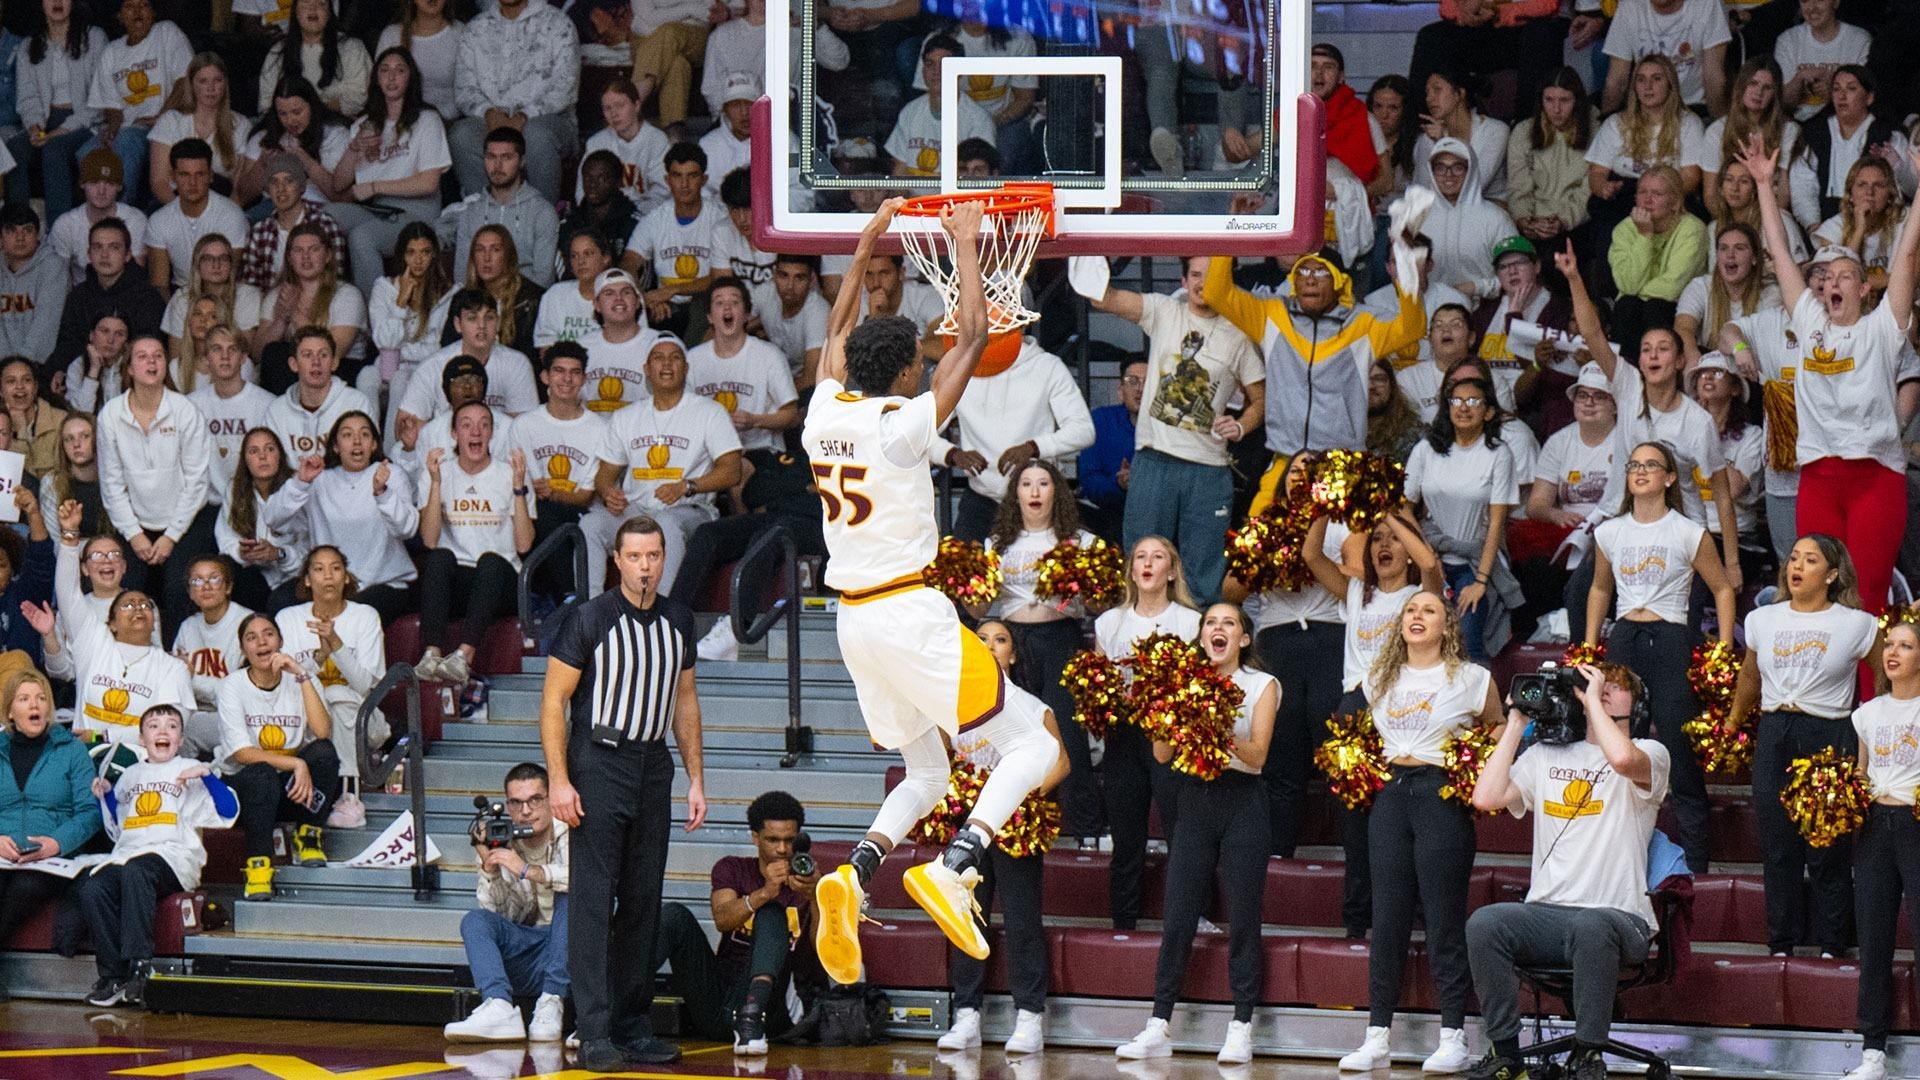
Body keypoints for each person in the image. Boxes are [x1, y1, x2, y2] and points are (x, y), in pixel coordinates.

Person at [799, 200, 1062, 980]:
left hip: (852, 622)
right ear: (908, 370)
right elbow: (975, 340)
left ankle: (853, 873)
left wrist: (866, 242)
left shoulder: (823, 411)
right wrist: (971, 246)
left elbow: (835, 332)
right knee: (1036, 741)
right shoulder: (901, 423)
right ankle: (957, 863)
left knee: (927, 773)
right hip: (907, 612)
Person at [539, 516, 709, 1070]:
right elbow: (552, 703)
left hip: (652, 763)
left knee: (642, 899)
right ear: (617, 559)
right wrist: (560, 780)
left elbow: (685, 702)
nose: (645, 566)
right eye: (635, 556)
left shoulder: (679, 620)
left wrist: (696, 778)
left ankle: (632, 1024)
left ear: (665, 558)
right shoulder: (588, 618)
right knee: (592, 900)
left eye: (654, 556)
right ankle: (592, 1031)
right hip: (599, 759)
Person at [1737, 132, 1920, 615]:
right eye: (1826, 276)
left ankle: (1874, 693)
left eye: (1844, 274)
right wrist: (1761, 182)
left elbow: (1905, 256)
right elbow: (1777, 249)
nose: (1832, 281)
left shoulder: (1883, 328)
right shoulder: (1811, 323)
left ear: (1863, 287)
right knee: (1815, 600)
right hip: (1817, 477)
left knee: (1866, 600)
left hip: (1876, 478)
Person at [1465, 662, 1673, 1080]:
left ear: (1639, 704)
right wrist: (1516, 722)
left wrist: (1592, 701)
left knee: (1592, 925)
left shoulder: (1651, 753)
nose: (1605, 690)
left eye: (1618, 687)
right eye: (1600, 686)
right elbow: (1485, 798)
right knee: (1485, 923)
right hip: (1550, 915)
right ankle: (1506, 1053)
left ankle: (1588, 1053)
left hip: (1621, 917)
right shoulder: (1545, 755)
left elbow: (1619, 756)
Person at [1339, 590, 1503, 1074]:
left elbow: (1495, 727)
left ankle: (1453, 1035)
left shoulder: (1473, 678)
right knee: (1386, 919)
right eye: (1410, 610)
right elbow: (1347, 728)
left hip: (1440, 796)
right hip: (1390, 795)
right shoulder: (1379, 676)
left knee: (1442, 918)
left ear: (1446, 625)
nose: (1416, 615)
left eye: (1428, 610)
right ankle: (1376, 1035)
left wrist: (1468, 765)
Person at [1113, 603, 1276, 1065]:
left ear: (1244, 638)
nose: (1218, 629)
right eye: (1211, 623)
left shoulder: (1261, 684)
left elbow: (1259, 754)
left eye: (1229, 623)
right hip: (1195, 802)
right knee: (1177, 918)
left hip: (1244, 803)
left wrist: (1212, 726)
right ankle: (1158, 1024)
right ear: (1202, 635)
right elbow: (1163, 754)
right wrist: (1176, 707)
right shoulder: (1181, 682)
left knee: (1243, 918)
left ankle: (1242, 1025)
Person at [1584, 440, 1738, 872]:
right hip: (1624, 638)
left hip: (1671, 638)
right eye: (1634, 464)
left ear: (1670, 477)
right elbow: (1600, 588)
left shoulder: (1688, 532)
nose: (1641, 471)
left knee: (1679, 747)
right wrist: (1590, 644)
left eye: (1651, 465)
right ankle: (1609, 855)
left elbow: (1724, 588)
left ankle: (1697, 863)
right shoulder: (1610, 532)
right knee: (1612, 746)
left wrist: (1723, 651)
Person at [1724, 534, 1876, 960]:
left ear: (1830, 574)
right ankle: (1781, 945)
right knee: (1778, 845)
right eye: (1794, 558)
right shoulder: (1763, 619)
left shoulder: (1856, 623)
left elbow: (1883, 679)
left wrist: (1876, 731)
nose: (1797, 566)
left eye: (1810, 561)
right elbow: (1750, 677)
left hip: (1828, 734)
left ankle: (1832, 945)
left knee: (1827, 848)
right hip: (1775, 731)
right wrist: (1734, 721)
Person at [1078, 255, 1264, 602]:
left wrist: (1239, 426)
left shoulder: (1237, 336)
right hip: (1155, 459)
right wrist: (1087, 251)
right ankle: (1136, 640)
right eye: (1195, 274)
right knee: (1141, 559)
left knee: (1203, 572)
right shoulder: (1165, 311)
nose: (1202, 283)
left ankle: (1199, 647)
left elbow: (1261, 399)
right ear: (1183, 280)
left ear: (1226, 283)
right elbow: (1105, 299)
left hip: (1208, 468)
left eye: (1211, 277)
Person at [1302, 508, 1444, 939]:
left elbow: (1432, 564)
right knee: (1355, 824)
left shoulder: (1420, 597)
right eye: (1377, 538)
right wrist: (1325, 508)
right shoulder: (1356, 590)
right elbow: (1311, 555)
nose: (1384, 545)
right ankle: (1356, 922)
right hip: (1353, 711)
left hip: (1401, 711)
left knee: (1400, 820)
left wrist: (1387, 511)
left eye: (1394, 539)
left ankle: (1409, 916)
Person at [938, 619, 1069, 1057]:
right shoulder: (952, 708)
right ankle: (967, 1015)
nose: (990, 646)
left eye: (1000, 640)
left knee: (1021, 919)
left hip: (1013, 825)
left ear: (1013, 654)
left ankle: (1030, 1016)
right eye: (981, 640)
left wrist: (1022, 799)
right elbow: (938, 762)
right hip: (968, 825)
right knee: (962, 916)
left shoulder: (1033, 708)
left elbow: (1060, 764)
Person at [1223, 453, 1346, 858]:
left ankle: (1353, 855)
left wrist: (1314, 560)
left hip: (1330, 637)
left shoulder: (1344, 525)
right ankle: (1277, 856)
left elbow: (1357, 592)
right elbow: (1230, 594)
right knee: (1282, 753)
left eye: (1312, 473)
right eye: (1295, 470)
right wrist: (1260, 560)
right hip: (1277, 642)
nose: (1301, 477)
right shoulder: (1263, 525)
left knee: (1335, 746)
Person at [78, 703, 238, 1007]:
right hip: (128, 855)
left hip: (174, 857)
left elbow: (228, 812)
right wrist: (108, 795)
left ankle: (140, 966)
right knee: (93, 886)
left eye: (172, 726)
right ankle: (113, 976)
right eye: (154, 726)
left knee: (137, 871)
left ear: (180, 739)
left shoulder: (189, 768)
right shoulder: (130, 775)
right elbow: (119, 829)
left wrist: (207, 776)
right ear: (141, 739)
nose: (163, 731)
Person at [976, 462, 1100, 841]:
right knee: (1013, 730)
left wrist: (1083, 580)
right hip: (1012, 640)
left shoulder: (1081, 541)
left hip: (1063, 636)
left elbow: (1098, 603)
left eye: (1043, 483)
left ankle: (1085, 831)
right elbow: (979, 610)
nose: (1034, 491)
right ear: (1015, 493)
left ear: (1055, 492)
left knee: (1069, 734)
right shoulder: (996, 543)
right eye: (1026, 484)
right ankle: (1010, 821)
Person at [1096, 534, 1203, 927]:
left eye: (1158, 557)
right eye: (1140, 556)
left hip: (1171, 736)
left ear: (1171, 571)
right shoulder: (1109, 622)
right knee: (1127, 837)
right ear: (1131, 569)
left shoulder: (1191, 623)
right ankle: (1123, 922)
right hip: (1124, 736)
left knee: (1182, 832)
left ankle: (1191, 916)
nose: (1148, 563)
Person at [584, 335, 741, 598]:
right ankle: (589, 609)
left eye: (675, 357)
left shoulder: (709, 412)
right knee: (591, 524)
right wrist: (609, 493)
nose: (666, 364)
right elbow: (604, 476)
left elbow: (732, 469)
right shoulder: (626, 416)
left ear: (686, 368)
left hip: (689, 511)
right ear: (646, 369)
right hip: (637, 510)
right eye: (658, 357)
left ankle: (661, 614)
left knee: (666, 524)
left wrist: (688, 487)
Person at [42, 498, 194, 745]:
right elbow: (68, 593)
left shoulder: (171, 667)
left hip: (144, 764)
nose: (137, 609)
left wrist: (104, 736)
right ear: (110, 624)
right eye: (127, 605)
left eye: (144, 605)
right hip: (86, 757)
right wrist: (70, 537)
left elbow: (171, 729)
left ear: (154, 621)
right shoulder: (93, 643)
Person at [444, 761, 569, 1044]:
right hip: (532, 951)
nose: (525, 811)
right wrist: (491, 868)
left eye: (535, 800)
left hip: (576, 953)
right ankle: (499, 1006)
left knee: (571, 896)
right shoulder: (501, 837)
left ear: (551, 799)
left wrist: (526, 869)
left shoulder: (569, 828)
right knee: (475, 921)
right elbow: (499, 916)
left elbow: (586, 882)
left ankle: (552, 999)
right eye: (516, 803)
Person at [930, 330, 1095, 544]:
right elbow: (918, 433)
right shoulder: (960, 369)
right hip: (981, 498)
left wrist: (1034, 448)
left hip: (1038, 500)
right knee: (962, 573)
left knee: (1050, 575)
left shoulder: (1047, 366)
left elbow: (1083, 430)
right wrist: (951, 454)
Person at [96, 332, 213, 633]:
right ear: (130, 368)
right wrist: (134, 535)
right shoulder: (111, 415)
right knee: (127, 594)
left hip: (184, 523)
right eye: (142, 356)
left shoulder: (185, 411)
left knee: (178, 592)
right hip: (133, 524)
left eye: (158, 355)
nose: (151, 361)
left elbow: (197, 482)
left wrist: (171, 535)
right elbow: (111, 483)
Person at [217, 612, 339, 897]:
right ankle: (258, 867)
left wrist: (302, 675)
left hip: (290, 790)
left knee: (323, 753)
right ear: (244, 649)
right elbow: (243, 754)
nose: (261, 642)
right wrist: (296, 762)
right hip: (243, 789)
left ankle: (309, 836)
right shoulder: (233, 685)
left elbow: (322, 732)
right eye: (252, 637)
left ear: (280, 641)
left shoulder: (300, 678)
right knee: (261, 773)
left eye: (268, 634)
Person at [1845, 621, 1920, 1080]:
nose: (1893, 652)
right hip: (1875, 826)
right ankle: (1873, 1049)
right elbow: (1861, 773)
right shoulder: (1867, 714)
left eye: (1906, 646)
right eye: (1889, 644)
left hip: (1916, 823)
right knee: (1873, 940)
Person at [414, 404, 533, 685]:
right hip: (457, 582)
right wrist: (435, 484)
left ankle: (463, 657)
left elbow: (525, 544)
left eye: (483, 425)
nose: (475, 431)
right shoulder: (437, 473)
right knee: (439, 557)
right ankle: (431, 654)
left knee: (490, 562)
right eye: (466, 424)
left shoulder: (509, 473)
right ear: (454, 433)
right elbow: (429, 540)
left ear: (491, 433)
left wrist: (518, 487)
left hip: (500, 581)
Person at [265, 413, 419, 624]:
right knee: (279, 602)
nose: (357, 441)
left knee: (353, 616)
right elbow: (273, 518)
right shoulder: (319, 478)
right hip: (326, 584)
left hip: (383, 584)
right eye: (347, 435)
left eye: (364, 434)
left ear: (374, 444)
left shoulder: (390, 473)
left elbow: (407, 530)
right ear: (336, 446)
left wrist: (382, 493)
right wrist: (300, 483)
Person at [702, 790, 825, 1055]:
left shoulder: (812, 881)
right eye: (772, 840)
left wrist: (816, 897)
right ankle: (612, 1017)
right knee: (675, 917)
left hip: (775, 1003)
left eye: (789, 840)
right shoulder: (732, 868)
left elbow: (821, 952)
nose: (781, 849)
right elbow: (723, 920)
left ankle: (752, 1018)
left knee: (771, 913)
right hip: (727, 991)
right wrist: (764, 893)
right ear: (755, 838)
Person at [1406, 375, 1519, 661]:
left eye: (1473, 401)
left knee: (1468, 643)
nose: (1463, 407)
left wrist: (1480, 581)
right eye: (1456, 400)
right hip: (1431, 558)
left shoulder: (1498, 454)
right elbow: (1403, 506)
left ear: (1489, 411)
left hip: (1475, 561)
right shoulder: (1425, 450)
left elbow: (1496, 521)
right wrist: (1426, 554)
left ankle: (1481, 704)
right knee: (1425, 640)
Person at [272, 545, 387, 806]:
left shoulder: (365, 617)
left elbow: (365, 689)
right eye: (319, 569)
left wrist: (336, 644)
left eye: (336, 568)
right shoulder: (288, 618)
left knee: (338, 695)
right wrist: (320, 657)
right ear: (307, 579)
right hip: (305, 719)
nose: (328, 576)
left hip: (364, 718)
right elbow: (289, 682)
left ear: (346, 577)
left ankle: (349, 796)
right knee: (327, 696)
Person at [0, 669, 99, 941]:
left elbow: (90, 813)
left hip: (49, 859)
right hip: (2, 853)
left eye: (41, 698)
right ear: (10, 712)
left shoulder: (72, 750)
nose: (34, 704)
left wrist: (54, 844)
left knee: (24, 888)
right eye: (24, 699)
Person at [449, 0, 578, 202]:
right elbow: (464, 89)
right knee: (462, 134)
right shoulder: (475, 28)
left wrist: (524, 116)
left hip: (547, 120)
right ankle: (485, 217)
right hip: (491, 119)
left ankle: (540, 220)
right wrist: (488, 112)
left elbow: (566, 87)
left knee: (537, 135)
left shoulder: (559, 23)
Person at [80, 0, 191, 208]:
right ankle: (96, 217)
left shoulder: (166, 32)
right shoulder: (112, 51)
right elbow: (112, 107)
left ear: (154, 12)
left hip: (166, 127)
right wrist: (112, 131)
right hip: (129, 127)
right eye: (130, 6)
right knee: (87, 152)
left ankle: (123, 216)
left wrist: (163, 116)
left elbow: (184, 80)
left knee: (127, 141)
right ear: (119, 16)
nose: (138, 11)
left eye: (144, 5)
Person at [12, 0, 107, 221]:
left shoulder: (94, 37)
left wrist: (62, 130)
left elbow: (100, 100)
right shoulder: (28, 45)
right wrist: (34, 125)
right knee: (13, 150)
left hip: (85, 118)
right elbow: (27, 97)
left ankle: (59, 231)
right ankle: (20, 226)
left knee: (54, 148)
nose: (57, 2)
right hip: (45, 118)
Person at [250, 223, 368, 394]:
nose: (306, 257)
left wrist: (294, 314)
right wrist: (281, 320)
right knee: (276, 353)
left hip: (342, 372)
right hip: (293, 374)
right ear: (289, 258)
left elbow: (332, 352)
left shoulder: (348, 295)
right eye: (298, 250)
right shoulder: (278, 295)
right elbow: (259, 355)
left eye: (313, 249)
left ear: (327, 255)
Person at [685, 278, 798, 454]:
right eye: (719, 302)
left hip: (761, 450)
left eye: (735, 302)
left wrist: (755, 421)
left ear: (746, 315)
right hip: (710, 454)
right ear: (710, 317)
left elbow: (790, 414)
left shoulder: (769, 355)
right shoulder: (692, 359)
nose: (727, 308)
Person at [622, 142, 722, 339]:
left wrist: (672, 290)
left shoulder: (719, 218)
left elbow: (720, 276)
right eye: (677, 176)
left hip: (709, 304)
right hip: (664, 307)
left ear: (704, 179)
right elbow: (629, 262)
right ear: (667, 180)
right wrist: (645, 298)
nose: (684, 185)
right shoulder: (655, 218)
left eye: (692, 176)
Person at [1787, 66, 1905, 229]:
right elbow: (1803, 184)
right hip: (1825, 224)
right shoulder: (1816, 133)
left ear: (1869, 97)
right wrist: (1814, 224)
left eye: (1851, 88)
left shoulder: (1888, 135)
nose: (1842, 96)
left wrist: (1898, 166)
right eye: (1836, 89)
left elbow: (1910, 186)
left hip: (1877, 224)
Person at [1607, 165, 1708, 355]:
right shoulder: (1624, 230)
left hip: (1675, 306)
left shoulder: (1693, 229)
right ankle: (1626, 379)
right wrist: (1644, 237)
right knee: (1627, 306)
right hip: (1634, 305)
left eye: (1657, 193)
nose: (1647, 199)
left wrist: (1636, 292)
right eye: (1642, 192)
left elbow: (1672, 287)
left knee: (1654, 307)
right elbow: (1627, 284)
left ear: (1675, 201)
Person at [444, 127, 559, 291]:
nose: (497, 166)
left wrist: (505, 297)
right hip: (479, 305)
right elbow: (462, 278)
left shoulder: (542, 212)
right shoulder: (471, 212)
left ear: (522, 161)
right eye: (491, 157)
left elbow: (543, 280)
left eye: (506, 157)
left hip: (524, 304)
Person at [368, 222, 453, 436]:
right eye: (411, 253)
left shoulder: (448, 294)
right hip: (387, 366)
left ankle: (389, 452)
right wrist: (400, 302)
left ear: (434, 254)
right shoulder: (384, 288)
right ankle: (368, 445)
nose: (418, 260)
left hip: (426, 370)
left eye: (425, 252)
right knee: (365, 377)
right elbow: (383, 342)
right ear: (402, 256)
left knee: (401, 381)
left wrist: (402, 353)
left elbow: (438, 348)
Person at [52, 217, 162, 369]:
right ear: (89, 254)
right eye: (98, 247)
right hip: (82, 376)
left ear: (128, 255)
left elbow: (148, 349)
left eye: (114, 247)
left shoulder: (148, 298)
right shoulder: (78, 296)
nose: (104, 255)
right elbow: (67, 344)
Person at [217, 427, 306, 613]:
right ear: (245, 459)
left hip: (293, 576)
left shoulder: (297, 490)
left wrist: (279, 554)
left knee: (279, 601)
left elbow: (310, 548)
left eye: (270, 449)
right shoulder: (236, 488)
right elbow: (226, 540)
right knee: (223, 575)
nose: (263, 456)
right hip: (255, 573)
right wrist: (242, 551)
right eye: (254, 451)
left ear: (280, 455)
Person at [1506, 69, 1595, 250]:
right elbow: (1519, 187)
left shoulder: (1596, 130)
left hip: (1577, 223)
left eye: (1564, 100)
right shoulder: (1524, 132)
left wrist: (1562, 221)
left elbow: (1588, 190)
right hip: (1534, 220)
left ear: (1577, 101)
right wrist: (1525, 221)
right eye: (1549, 100)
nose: (1556, 109)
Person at [262, 326, 375, 467]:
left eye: (323, 355)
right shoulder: (276, 411)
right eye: (307, 355)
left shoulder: (356, 403)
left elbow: (369, 459)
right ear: (294, 364)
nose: (316, 362)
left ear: (334, 362)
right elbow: (271, 467)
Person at [144, 139, 249, 290]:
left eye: (200, 174)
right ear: (173, 177)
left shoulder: (231, 216)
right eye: (184, 174)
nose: (192, 182)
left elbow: (228, 278)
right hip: (181, 295)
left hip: (223, 294)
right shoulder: (159, 221)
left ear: (211, 176)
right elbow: (160, 285)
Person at [236, 77, 351, 211]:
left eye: (297, 112)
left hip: (320, 207)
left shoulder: (335, 134)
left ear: (311, 107)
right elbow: (243, 196)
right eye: (282, 114)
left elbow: (337, 195)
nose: (290, 120)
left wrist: (307, 162)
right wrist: (262, 163)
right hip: (273, 207)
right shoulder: (264, 137)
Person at [174, 554, 250, 755]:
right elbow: (176, 684)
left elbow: (239, 695)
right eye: (197, 580)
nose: (206, 586)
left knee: (179, 730)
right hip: (197, 712)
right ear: (190, 592)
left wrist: (193, 679)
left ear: (228, 587)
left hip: (238, 716)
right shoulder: (188, 627)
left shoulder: (247, 624)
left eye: (214, 578)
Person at [1702, 59, 1799, 214]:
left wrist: (1767, 223)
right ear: (1741, 86)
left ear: (1775, 94)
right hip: (1729, 216)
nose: (1758, 92)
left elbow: (1783, 193)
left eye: (1767, 87)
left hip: (1771, 214)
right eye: (1753, 83)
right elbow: (1710, 195)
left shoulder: (1788, 130)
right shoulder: (1716, 131)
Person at [146, 53, 248, 200]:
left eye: (217, 80)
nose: (211, 88)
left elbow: (239, 189)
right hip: (176, 202)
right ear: (192, 84)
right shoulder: (171, 120)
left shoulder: (240, 124)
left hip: (220, 204)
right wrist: (183, 216)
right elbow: (159, 182)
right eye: (203, 81)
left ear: (225, 84)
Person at [1599, 0, 1730, 115]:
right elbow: (1616, 80)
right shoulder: (1629, 6)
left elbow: (1714, 78)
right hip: (1645, 109)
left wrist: (1719, 126)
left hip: (1692, 108)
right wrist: (1605, 120)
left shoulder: (1707, 3)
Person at [1424, 141, 1515, 304]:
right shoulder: (1416, 219)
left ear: (1470, 170)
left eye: (1457, 167)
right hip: (1428, 310)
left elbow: (1518, 274)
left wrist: (1478, 287)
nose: (1448, 175)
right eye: (1440, 168)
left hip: (1484, 310)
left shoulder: (1496, 218)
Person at [1676, 224, 1777, 362]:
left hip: (1753, 367)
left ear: (1754, 258)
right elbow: (1683, 328)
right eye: (1723, 248)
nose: (1730, 255)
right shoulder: (1700, 286)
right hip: (1708, 366)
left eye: (1739, 248)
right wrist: (1694, 359)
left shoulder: (1771, 294)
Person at [258, 0, 371, 118]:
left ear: (329, 12)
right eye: (306, 2)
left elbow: (358, 96)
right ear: (295, 12)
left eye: (321, 3)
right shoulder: (278, 51)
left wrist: (312, 113)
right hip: (288, 126)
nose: (313, 9)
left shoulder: (351, 47)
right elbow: (266, 103)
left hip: (336, 123)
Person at [1412, 70, 1510, 203]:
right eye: (1427, 92)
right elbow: (1421, 193)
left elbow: (1475, 186)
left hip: (1489, 214)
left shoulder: (1495, 131)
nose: (1429, 98)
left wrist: (1443, 143)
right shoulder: (1428, 138)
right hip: (1441, 214)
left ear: (1459, 94)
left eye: (1437, 89)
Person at [446, 224, 541, 358]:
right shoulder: (462, 299)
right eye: (480, 250)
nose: (486, 258)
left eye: (495, 250)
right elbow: (448, 348)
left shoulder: (532, 299)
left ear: (508, 256)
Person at [167, 236, 263, 369]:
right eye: (208, 259)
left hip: (235, 368)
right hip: (192, 371)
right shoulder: (181, 298)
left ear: (231, 264)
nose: (216, 265)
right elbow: (176, 355)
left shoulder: (247, 295)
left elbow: (245, 350)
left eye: (223, 259)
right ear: (197, 264)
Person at [576, 80, 667, 214]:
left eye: (620, 105)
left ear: (636, 105)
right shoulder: (596, 143)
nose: (614, 114)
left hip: (645, 217)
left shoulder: (657, 140)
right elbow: (582, 193)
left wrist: (633, 214)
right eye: (607, 108)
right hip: (604, 216)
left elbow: (663, 193)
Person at [1078, 357, 1142, 542]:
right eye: (1132, 381)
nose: (1140, 389)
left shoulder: (1171, 428)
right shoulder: (1102, 420)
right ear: (1121, 391)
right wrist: (1118, 485)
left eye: (1148, 382)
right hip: (1111, 514)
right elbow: (1089, 480)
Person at [1777, 0, 1872, 122]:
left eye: (1820, 0)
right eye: (1805, 1)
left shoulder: (1859, 40)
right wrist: (1800, 77)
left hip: (1845, 122)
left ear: (1836, 3)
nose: (1812, 7)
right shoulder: (1788, 40)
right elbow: (1782, 103)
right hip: (1797, 123)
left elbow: (1866, 98)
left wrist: (1834, 89)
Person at [578, 267, 654, 415]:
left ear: (638, 301)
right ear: (597, 305)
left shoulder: (659, 344)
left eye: (626, 292)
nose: (618, 298)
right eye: (609, 293)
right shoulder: (580, 347)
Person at [0, 204, 69, 367]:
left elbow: (45, 326)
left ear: (38, 236)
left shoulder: (53, 265)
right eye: (11, 231)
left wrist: (20, 367)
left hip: (40, 366)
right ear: (1, 238)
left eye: (27, 230)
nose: (20, 238)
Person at [377, 0, 463, 120]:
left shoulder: (461, 33)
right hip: (400, 119)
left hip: (450, 121)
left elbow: (468, 91)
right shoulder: (391, 35)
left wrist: (437, 118)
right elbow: (378, 88)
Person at [538, 230, 615, 353]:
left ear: (605, 258)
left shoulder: (623, 295)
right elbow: (546, 348)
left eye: (588, 254)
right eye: (574, 256)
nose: (581, 261)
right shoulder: (556, 295)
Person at [40, 412, 103, 539]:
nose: (76, 444)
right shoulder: (52, 483)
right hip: (68, 555)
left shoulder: (116, 478)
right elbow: (56, 542)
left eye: (84, 436)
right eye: (69, 439)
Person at [3, 359, 65, 481]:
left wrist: (21, 435)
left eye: (26, 380)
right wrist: (19, 434)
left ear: (35, 387)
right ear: (1, 391)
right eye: (11, 381)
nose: (19, 386)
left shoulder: (61, 421)